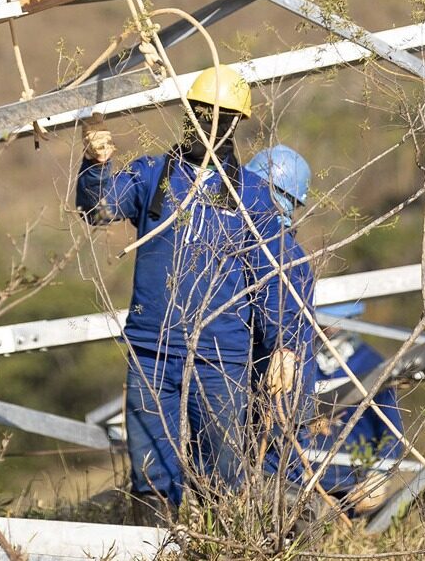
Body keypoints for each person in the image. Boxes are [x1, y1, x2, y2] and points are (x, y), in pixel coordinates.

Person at [75, 66, 312, 522]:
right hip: (152, 350)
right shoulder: (152, 175)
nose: (211, 123)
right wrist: (95, 165)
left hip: (221, 356)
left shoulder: (253, 196)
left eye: (222, 116)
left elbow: (274, 275)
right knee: (151, 475)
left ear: (237, 123)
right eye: (203, 112)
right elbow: (100, 207)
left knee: (223, 474)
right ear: (189, 113)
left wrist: (284, 343)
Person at [245, 146, 317, 489]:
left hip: (274, 388)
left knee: (275, 484)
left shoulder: (271, 247)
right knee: (280, 481)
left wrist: (284, 349)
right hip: (289, 389)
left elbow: (280, 314)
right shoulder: (290, 249)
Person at [306, 301, 404, 513]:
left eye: (337, 322)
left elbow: (393, 433)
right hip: (302, 472)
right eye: (324, 322)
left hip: (352, 480)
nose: (329, 329)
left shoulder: (371, 363)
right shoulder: (303, 360)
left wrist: (379, 475)